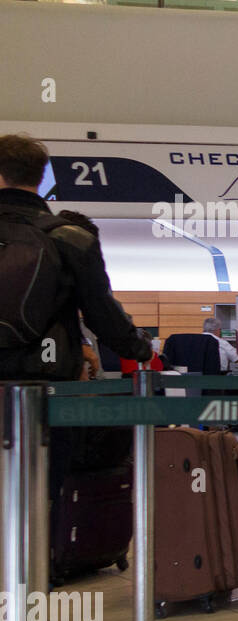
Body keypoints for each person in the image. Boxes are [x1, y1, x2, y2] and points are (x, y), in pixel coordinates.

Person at [0, 136, 154, 498]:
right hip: (51, 393)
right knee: (42, 497)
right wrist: (141, 347)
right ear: (40, 178)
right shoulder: (71, 238)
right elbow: (104, 318)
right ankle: (39, 554)